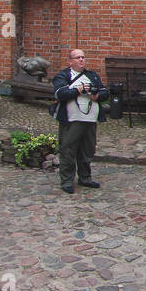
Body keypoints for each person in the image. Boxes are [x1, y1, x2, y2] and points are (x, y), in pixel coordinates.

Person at [53, 47, 106, 195]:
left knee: (87, 150)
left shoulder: (92, 75)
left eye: (83, 57)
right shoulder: (63, 76)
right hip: (71, 119)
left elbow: (104, 92)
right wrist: (78, 90)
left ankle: (85, 177)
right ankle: (67, 180)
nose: (81, 60)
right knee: (68, 150)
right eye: (78, 58)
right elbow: (60, 94)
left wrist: (96, 96)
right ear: (70, 61)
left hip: (90, 119)